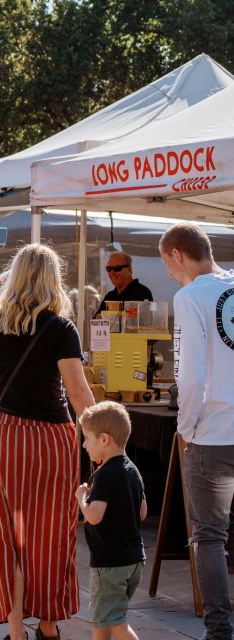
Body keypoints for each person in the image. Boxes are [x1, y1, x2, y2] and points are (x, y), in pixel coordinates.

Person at [0, 243, 95, 640]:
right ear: (52, 280)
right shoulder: (60, 327)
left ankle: (14, 630)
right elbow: (77, 391)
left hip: (6, 436)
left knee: (6, 536)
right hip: (51, 440)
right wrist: (99, 436)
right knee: (50, 536)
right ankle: (48, 625)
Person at [158, 221, 234, 639]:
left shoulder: (189, 297)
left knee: (209, 537)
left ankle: (219, 631)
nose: (167, 273)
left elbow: (190, 377)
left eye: (166, 263)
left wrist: (186, 428)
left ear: (178, 255)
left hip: (212, 433)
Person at [76, 402, 146, 640]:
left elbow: (94, 516)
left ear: (104, 439)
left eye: (87, 438)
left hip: (109, 563)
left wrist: (82, 498)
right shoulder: (133, 470)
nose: (84, 444)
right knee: (104, 616)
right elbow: (143, 511)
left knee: (115, 621)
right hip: (133, 559)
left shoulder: (105, 475)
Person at [95, 251, 154, 317]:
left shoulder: (142, 292)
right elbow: (95, 323)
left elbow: (144, 322)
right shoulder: (110, 296)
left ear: (129, 270)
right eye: (108, 269)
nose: (112, 273)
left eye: (117, 268)